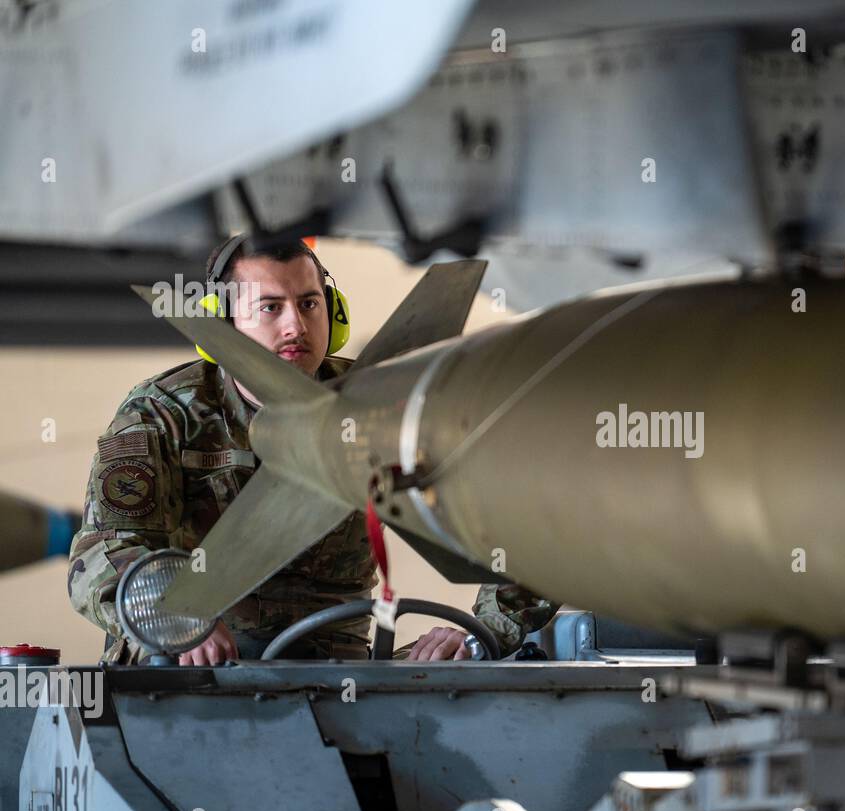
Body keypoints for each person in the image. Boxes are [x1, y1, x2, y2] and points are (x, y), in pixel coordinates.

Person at [68, 234, 556, 665]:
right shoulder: (167, 412)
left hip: (339, 681)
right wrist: (174, 623)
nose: (295, 327)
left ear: (333, 311)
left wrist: (481, 635)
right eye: (269, 307)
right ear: (224, 321)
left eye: (309, 303)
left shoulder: (386, 407)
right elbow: (102, 554)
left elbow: (525, 519)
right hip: (189, 676)